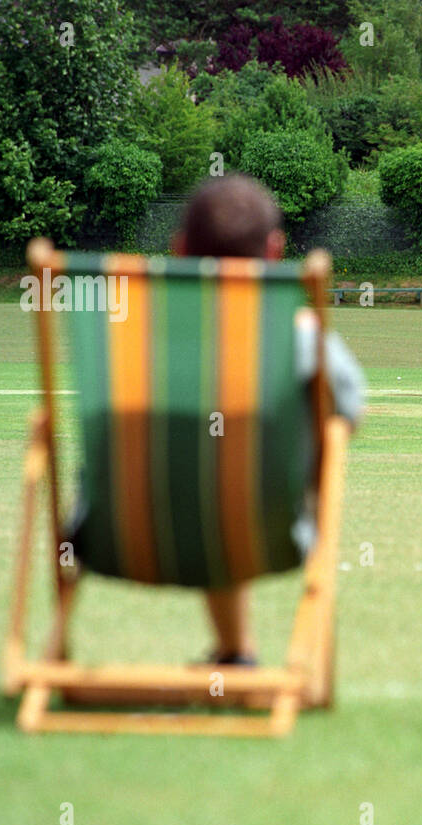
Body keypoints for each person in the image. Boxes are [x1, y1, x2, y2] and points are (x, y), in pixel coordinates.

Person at [171, 174, 365, 665]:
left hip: (126, 530)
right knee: (232, 490)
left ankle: (234, 651)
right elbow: (347, 412)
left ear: (178, 250)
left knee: (205, 488)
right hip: (275, 528)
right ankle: (253, 654)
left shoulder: (133, 336)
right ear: (276, 251)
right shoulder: (298, 334)